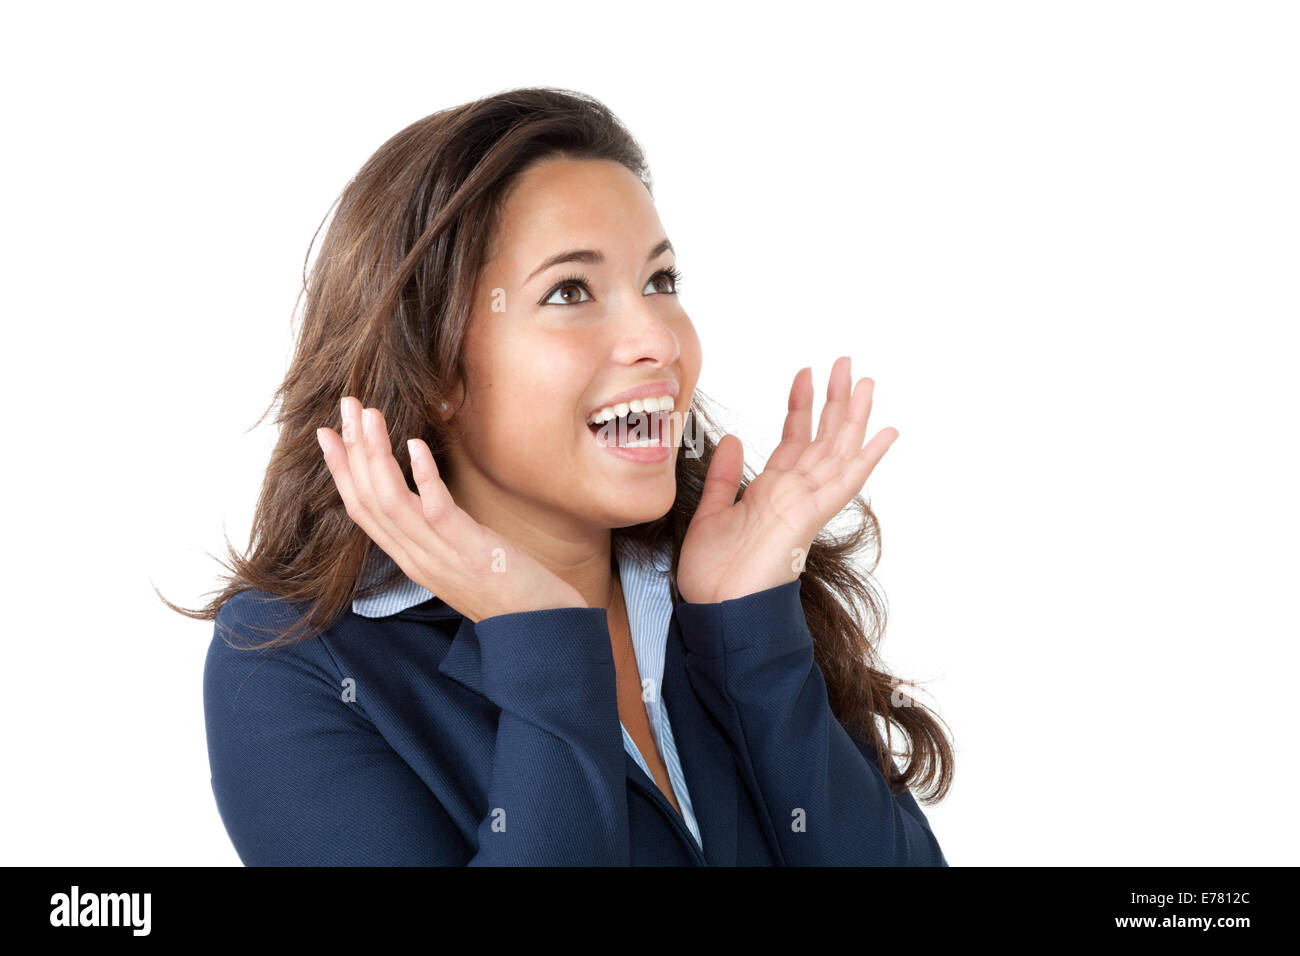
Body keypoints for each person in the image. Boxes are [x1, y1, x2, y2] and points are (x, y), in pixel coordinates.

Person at [172, 86, 955, 865]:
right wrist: (543, 647)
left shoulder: (719, 594)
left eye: (661, 282)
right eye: (571, 291)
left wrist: (751, 634)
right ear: (435, 364)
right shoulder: (297, 662)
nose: (658, 339)